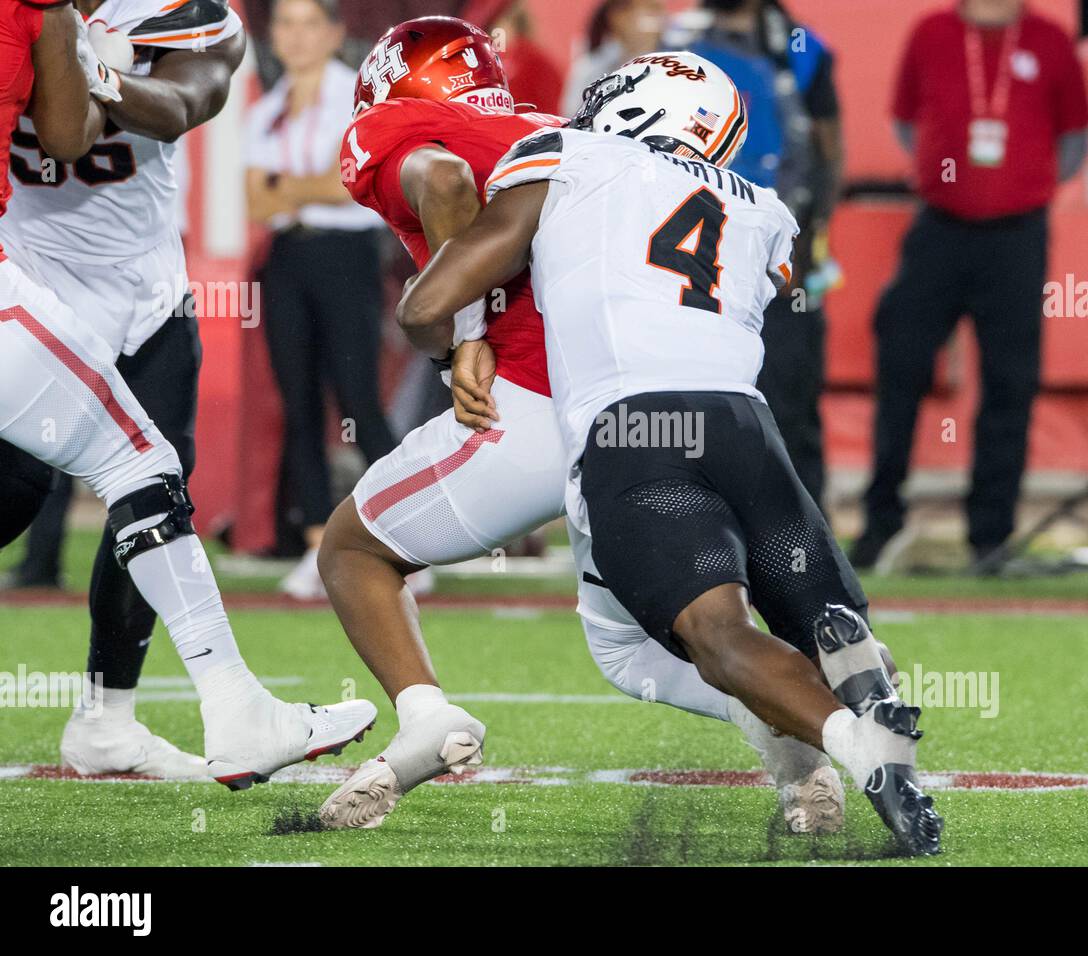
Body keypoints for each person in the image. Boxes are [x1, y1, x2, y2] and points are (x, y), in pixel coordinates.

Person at [386, 52, 945, 855]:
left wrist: (457, 347)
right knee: (817, 616)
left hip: (632, 426)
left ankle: (858, 748)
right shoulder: (763, 206)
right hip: (746, 427)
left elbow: (426, 304)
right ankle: (861, 687)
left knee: (715, 637)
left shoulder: (570, 156)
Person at [314, 18, 847, 835]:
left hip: (532, 403)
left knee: (352, 549)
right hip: (644, 402)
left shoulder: (397, 127)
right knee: (633, 650)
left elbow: (449, 179)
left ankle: (426, 716)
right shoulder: (557, 127)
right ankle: (798, 749)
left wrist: (465, 339)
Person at [0, 0, 376, 789]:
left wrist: (95, 70)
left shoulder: (190, 14)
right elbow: (63, 136)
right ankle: (229, 712)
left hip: (145, 287)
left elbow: (179, 106)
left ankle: (109, 715)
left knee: (153, 489)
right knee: (16, 497)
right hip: (33, 279)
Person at [850, 0, 1088, 571]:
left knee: (1011, 383)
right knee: (901, 361)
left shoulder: (1050, 41)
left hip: (1018, 236)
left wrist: (1019, 187)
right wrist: (948, 175)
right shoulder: (932, 33)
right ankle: (882, 519)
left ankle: (991, 536)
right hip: (939, 227)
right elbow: (907, 122)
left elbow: (1074, 140)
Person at [244, 0, 399, 600]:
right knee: (298, 400)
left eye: (311, 23)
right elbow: (257, 202)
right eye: (286, 24)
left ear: (334, 33)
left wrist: (291, 186)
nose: (298, 36)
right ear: (274, 36)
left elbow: (351, 184)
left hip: (347, 259)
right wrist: (308, 188)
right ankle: (315, 544)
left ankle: (406, 536)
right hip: (287, 258)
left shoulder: (355, 99)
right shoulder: (267, 109)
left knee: (360, 397)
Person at [668, 0, 838, 509]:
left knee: (788, 394)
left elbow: (829, 152)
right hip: (692, 255)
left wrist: (805, 243)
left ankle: (804, 531)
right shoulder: (676, 44)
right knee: (687, 394)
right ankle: (692, 518)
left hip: (780, 255)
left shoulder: (803, 48)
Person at [561, 0, 664, 116]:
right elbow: (572, 114)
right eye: (650, 9)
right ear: (618, 16)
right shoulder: (594, 65)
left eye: (657, 9)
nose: (658, 17)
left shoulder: (671, 61)